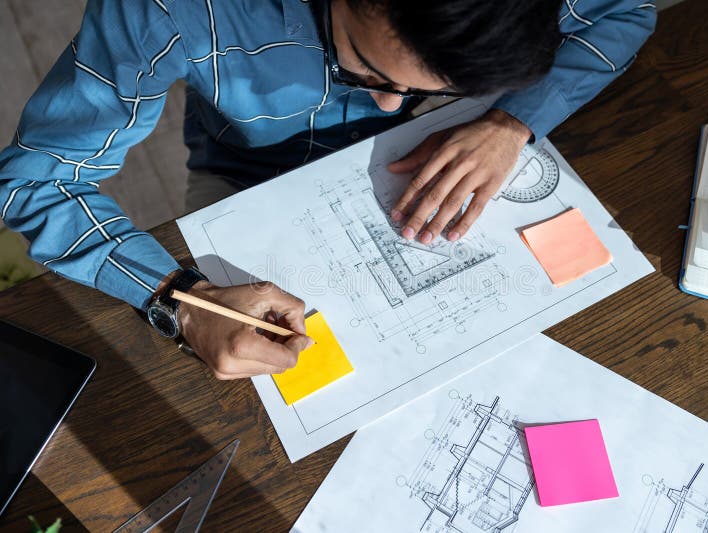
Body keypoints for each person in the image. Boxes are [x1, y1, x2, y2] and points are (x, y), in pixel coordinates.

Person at [0, 0, 656, 379]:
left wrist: (511, 120)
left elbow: (625, 11)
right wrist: (179, 298)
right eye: (364, 67)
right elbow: (35, 181)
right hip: (241, 179)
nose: (387, 102)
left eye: (432, 89)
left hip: (415, 159)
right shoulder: (172, 6)